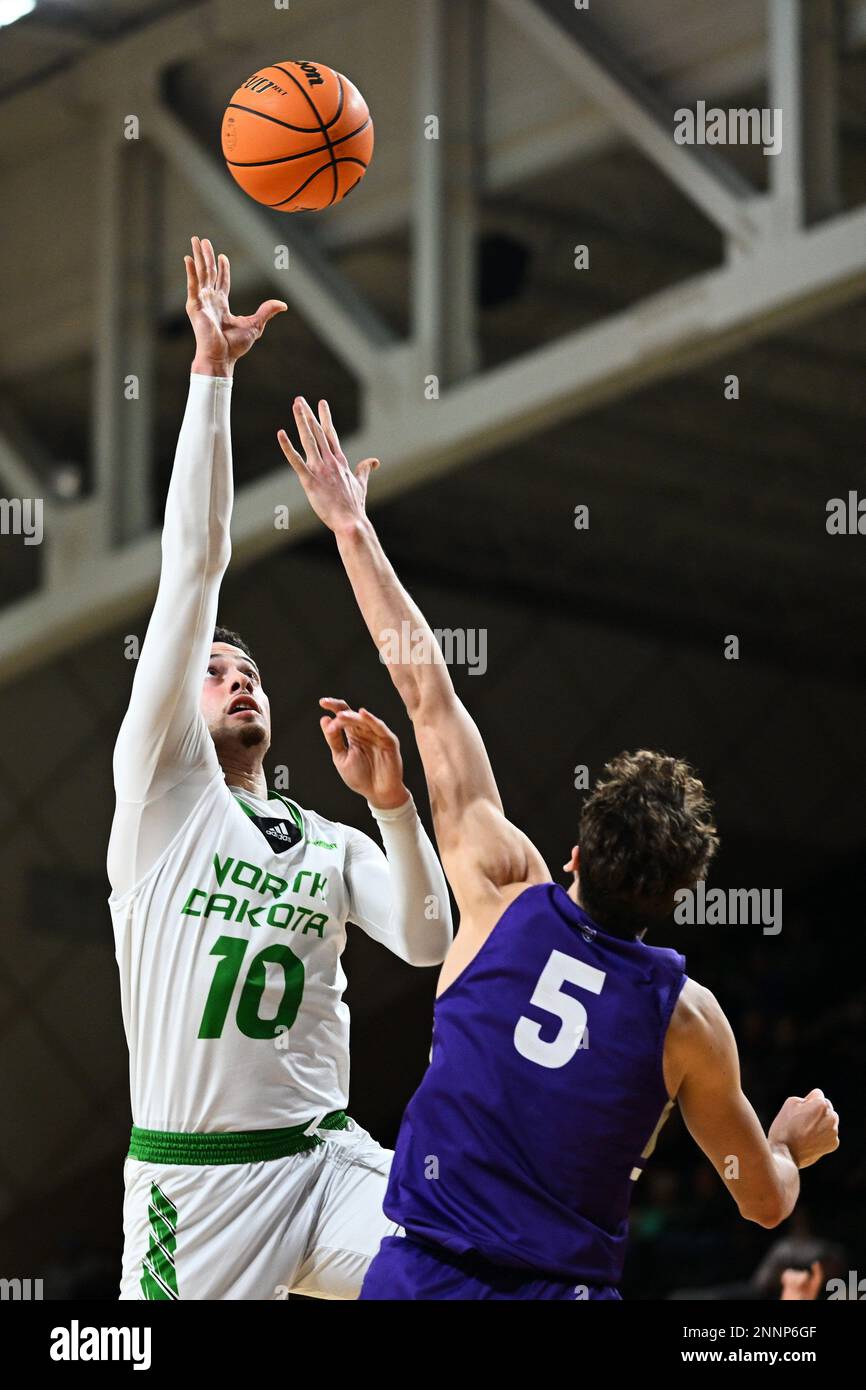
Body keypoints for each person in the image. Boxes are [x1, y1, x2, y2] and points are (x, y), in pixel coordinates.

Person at [277, 393, 841, 1301]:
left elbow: (424, 688)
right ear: (670, 904)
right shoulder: (687, 1021)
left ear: (573, 854)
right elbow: (765, 1205)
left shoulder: (500, 888)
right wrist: (787, 1142)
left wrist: (350, 526)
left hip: (420, 1277)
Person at [109, 238, 452, 1301]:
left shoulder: (326, 838)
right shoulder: (161, 794)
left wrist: (393, 808)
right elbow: (193, 566)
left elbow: (427, 937)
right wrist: (211, 377)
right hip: (195, 1190)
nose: (232, 677)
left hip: (324, 1158)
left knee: (476, 1271)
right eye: (213, 669)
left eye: (246, 668)